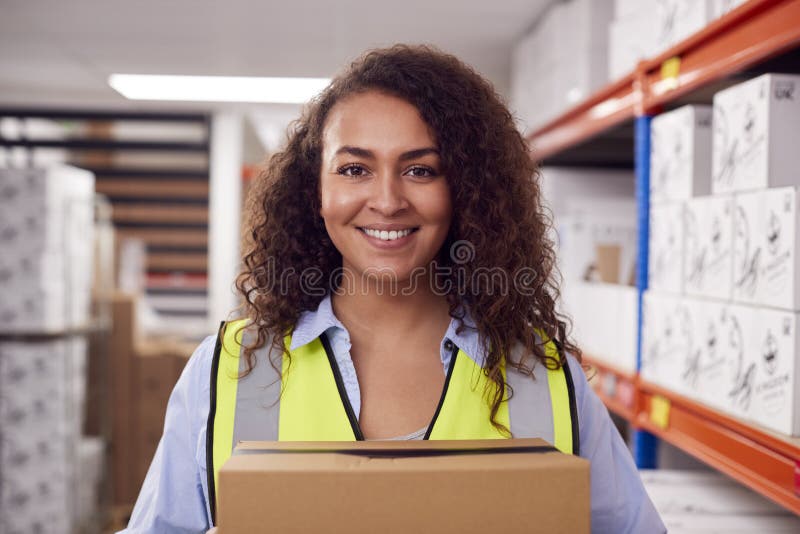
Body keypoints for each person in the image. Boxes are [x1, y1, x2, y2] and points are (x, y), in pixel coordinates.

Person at [122, 44, 666, 533]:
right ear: (316, 190)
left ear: (466, 192)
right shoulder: (227, 370)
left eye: (421, 171)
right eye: (354, 169)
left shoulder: (545, 376)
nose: (386, 200)